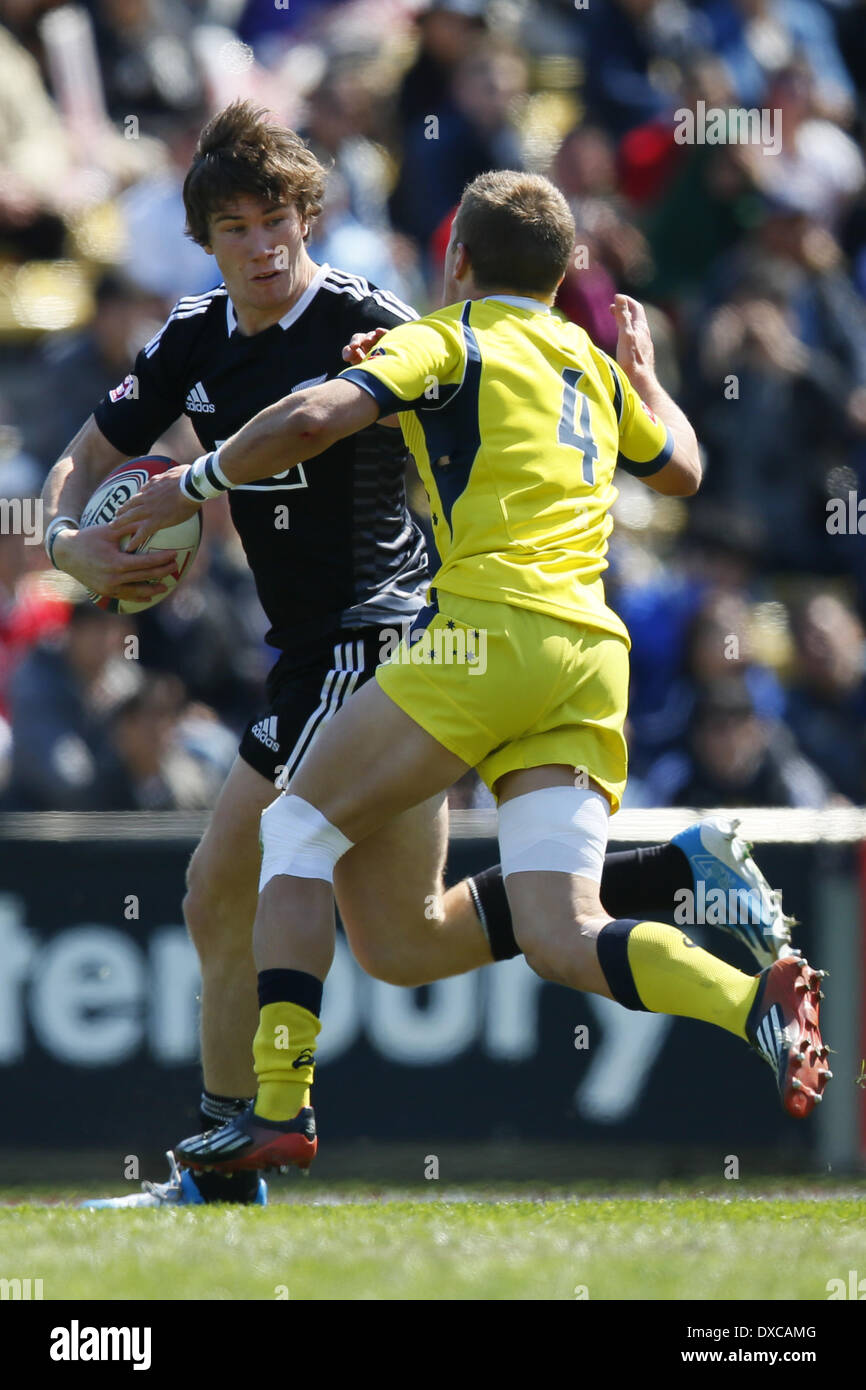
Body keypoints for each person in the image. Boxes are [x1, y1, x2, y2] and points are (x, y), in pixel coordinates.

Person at [50, 105, 793, 1210]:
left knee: (225, 883)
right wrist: (68, 538)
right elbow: (89, 451)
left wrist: (190, 487)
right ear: (204, 237)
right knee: (404, 942)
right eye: (235, 227)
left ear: (309, 217)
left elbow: (375, 408)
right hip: (318, 651)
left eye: (278, 221)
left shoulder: (373, 319)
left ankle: (235, 1152)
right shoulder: (191, 337)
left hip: (385, 630)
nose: (261, 246)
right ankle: (675, 870)